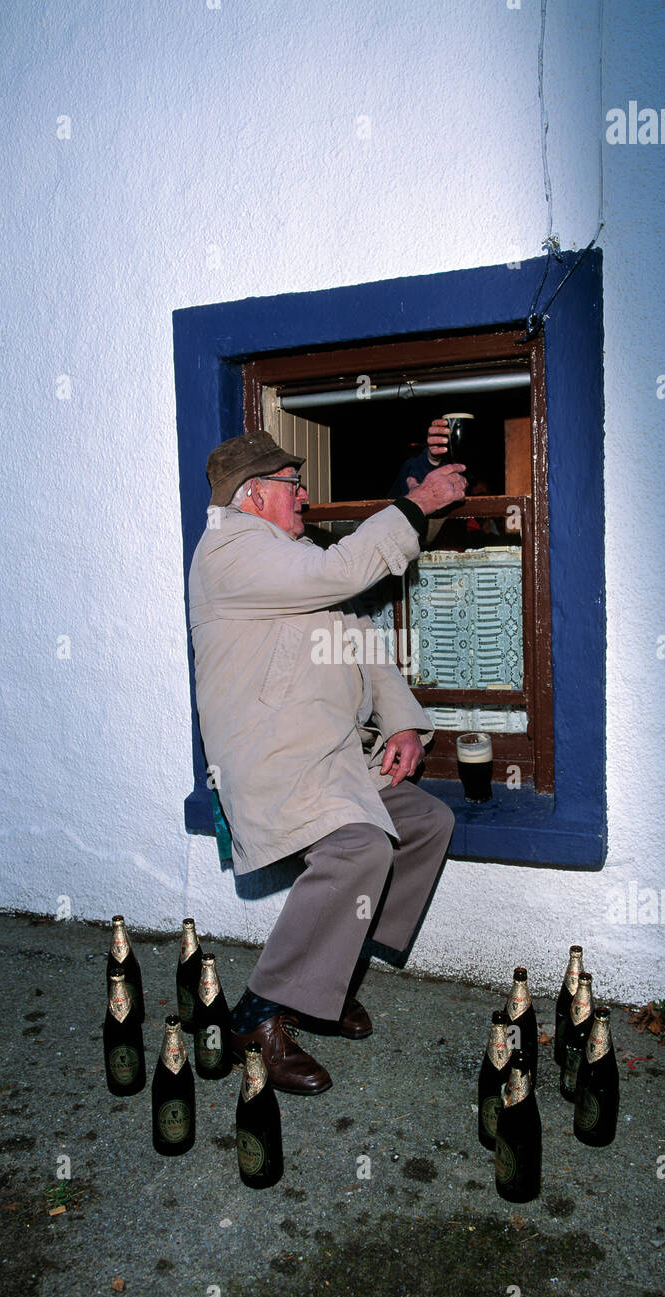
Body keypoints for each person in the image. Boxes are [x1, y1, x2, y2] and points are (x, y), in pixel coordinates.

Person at [187, 430, 466, 1094]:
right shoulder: (231, 551)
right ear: (253, 496)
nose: (305, 494)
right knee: (360, 847)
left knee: (424, 823)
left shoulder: (294, 555)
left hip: (331, 759)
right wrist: (416, 506)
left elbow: (362, 645)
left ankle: (328, 978)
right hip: (273, 760)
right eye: (292, 483)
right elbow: (342, 572)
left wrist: (399, 722)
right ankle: (255, 1016)